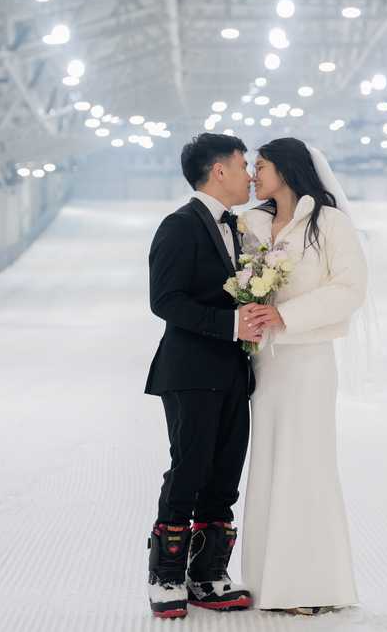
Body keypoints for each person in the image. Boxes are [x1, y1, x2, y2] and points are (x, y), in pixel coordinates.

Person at [143, 133, 272, 619]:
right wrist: (230, 324)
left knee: (224, 473)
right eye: (243, 165)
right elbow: (165, 300)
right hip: (190, 370)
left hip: (234, 371)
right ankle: (166, 576)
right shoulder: (179, 226)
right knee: (189, 470)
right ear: (219, 170)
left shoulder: (240, 227)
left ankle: (209, 574)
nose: (250, 175)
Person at [239, 137, 368, 615]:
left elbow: (350, 288)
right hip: (264, 364)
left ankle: (311, 585)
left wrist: (286, 316)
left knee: (305, 465)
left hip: (308, 361)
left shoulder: (329, 223)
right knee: (269, 465)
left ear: (287, 170)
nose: (253, 175)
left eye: (261, 166)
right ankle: (267, 582)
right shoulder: (249, 223)